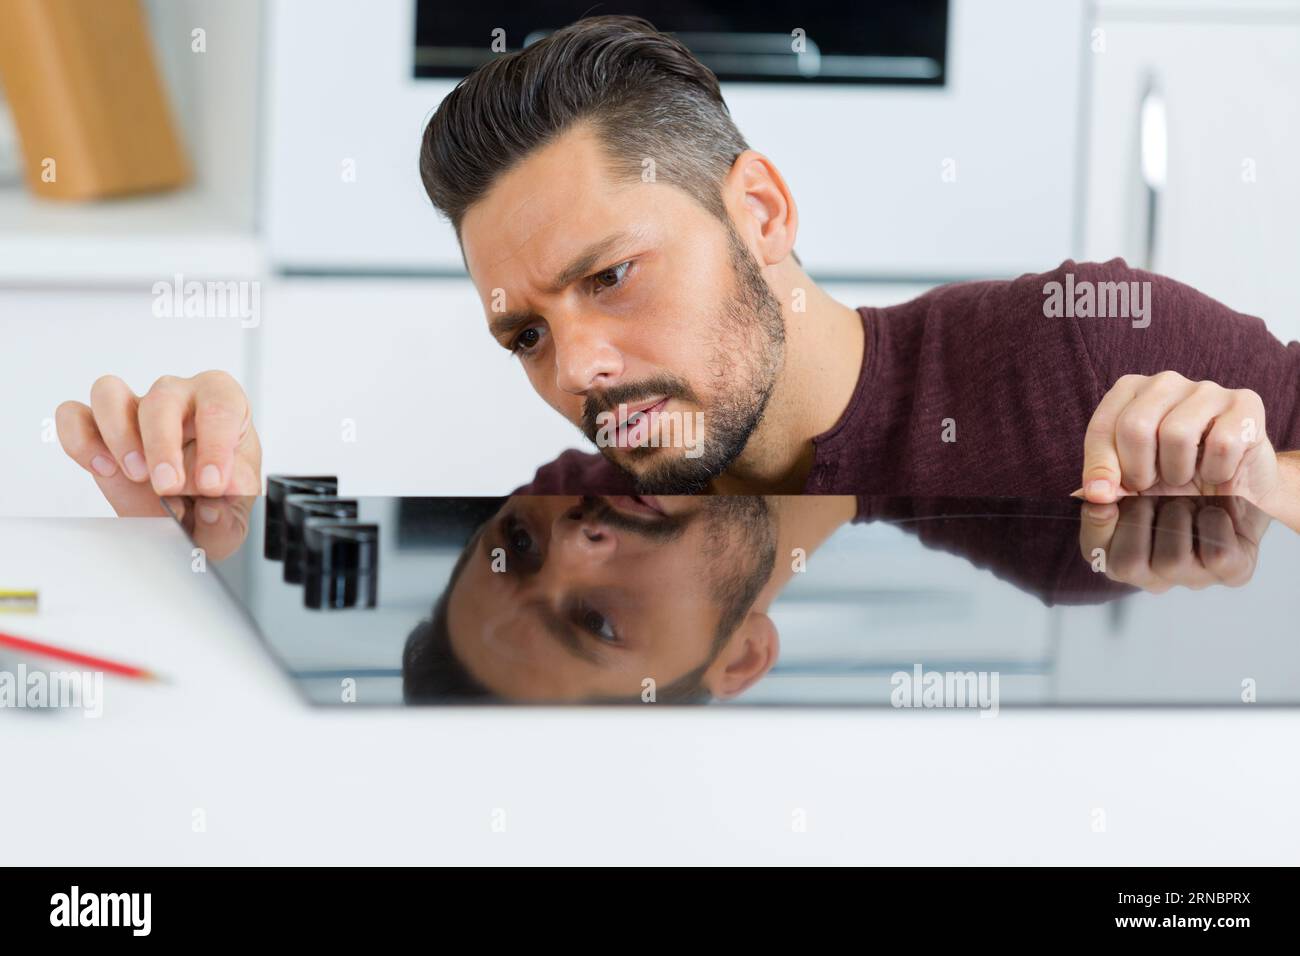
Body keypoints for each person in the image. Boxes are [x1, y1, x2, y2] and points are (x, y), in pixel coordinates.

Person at [54, 16, 1300, 531]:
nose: (578, 369)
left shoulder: (1082, 343)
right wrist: (211, 537)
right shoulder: (581, 520)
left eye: (609, 276)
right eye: (524, 334)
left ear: (757, 209)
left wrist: (1255, 482)